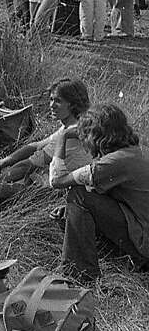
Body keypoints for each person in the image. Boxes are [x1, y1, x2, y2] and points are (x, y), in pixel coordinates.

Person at [51, 103, 149, 282]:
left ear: (95, 136)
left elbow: (57, 180)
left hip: (144, 243)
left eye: (85, 136)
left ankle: (79, 275)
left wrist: (63, 136)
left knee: (78, 194)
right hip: (142, 231)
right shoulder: (133, 153)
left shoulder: (113, 163)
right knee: (79, 203)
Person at [0, 78, 90, 202]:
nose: (51, 105)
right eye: (51, 99)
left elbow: (25, 166)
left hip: (70, 192)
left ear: (73, 104)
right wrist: (0, 163)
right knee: (20, 182)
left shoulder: (71, 132)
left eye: (58, 101)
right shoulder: (72, 124)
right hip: (67, 184)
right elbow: (36, 146)